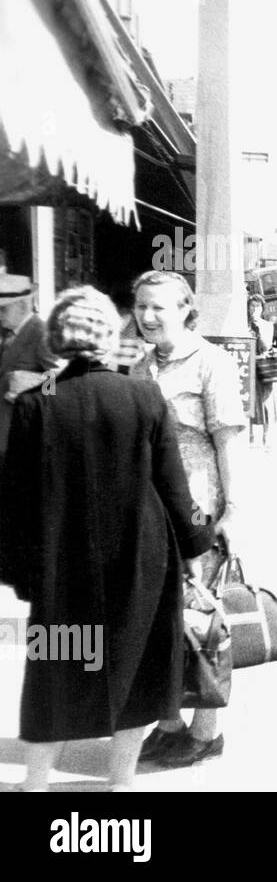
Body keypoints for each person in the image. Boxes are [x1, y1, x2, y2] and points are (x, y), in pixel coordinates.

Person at [0, 287, 213, 791]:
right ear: (109, 337)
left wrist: (20, 575)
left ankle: (35, 786)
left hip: (61, 568)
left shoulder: (38, 401)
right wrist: (196, 547)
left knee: (54, 674)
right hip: (141, 564)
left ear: (57, 338)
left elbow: (14, 502)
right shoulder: (143, 397)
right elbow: (174, 489)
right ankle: (120, 785)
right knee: (136, 676)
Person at [130, 270, 247, 768]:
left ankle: (207, 731)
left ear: (185, 309)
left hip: (199, 508)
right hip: (152, 511)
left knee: (202, 619)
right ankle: (170, 722)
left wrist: (234, 510)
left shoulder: (211, 363)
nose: (148, 316)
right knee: (161, 620)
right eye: (140, 307)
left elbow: (227, 439)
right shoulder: (139, 367)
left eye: (159, 307)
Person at [0, 268, 62, 468]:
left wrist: (32, 384)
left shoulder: (41, 332)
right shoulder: (7, 332)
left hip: (23, 436)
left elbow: (62, 381)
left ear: (22, 306)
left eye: (3, 309)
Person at [247, 294, 276, 447]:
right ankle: (250, 434)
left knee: (265, 401)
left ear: (262, 309)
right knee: (249, 401)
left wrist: (258, 329)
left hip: (263, 366)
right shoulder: (243, 324)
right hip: (248, 365)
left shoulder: (267, 325)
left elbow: (266, 345)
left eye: (257, 307)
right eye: (252, 306)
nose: (254, 310)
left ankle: (266, 434)